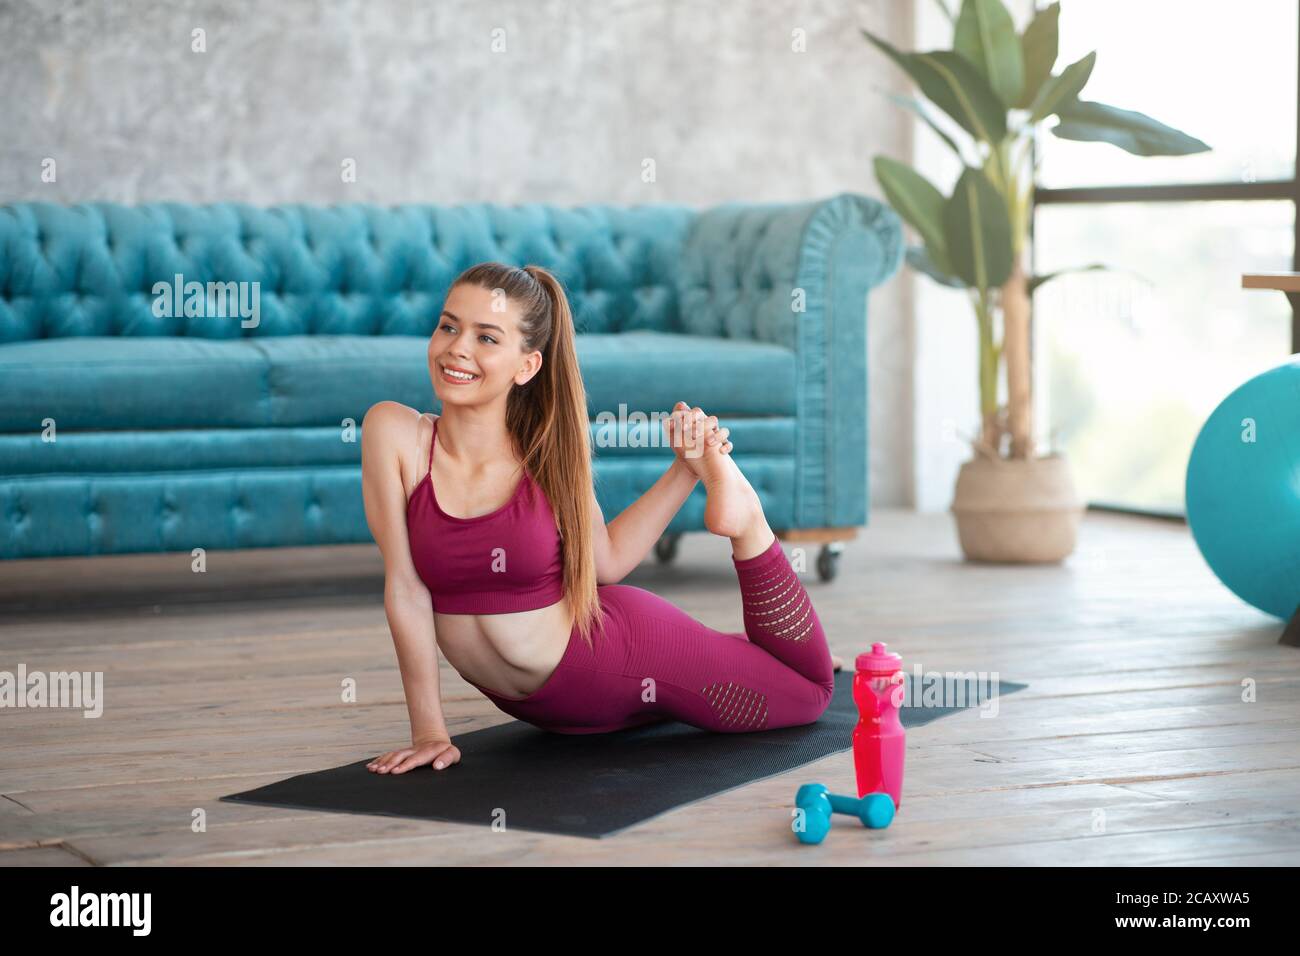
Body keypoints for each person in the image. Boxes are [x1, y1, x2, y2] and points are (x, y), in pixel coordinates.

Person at [361, 262, 839, 774]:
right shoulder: (394, 434)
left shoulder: (546, 453)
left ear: (526, 366)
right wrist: (430, 730)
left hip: (616, 658)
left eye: (486, 337)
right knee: (751, 662)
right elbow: (406, 588)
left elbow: (604, 564)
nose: (457, 347)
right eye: (449, 326)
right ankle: (747, 644)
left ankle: (749, 522)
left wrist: (684, 471)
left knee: (810, 693)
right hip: (555, 713)